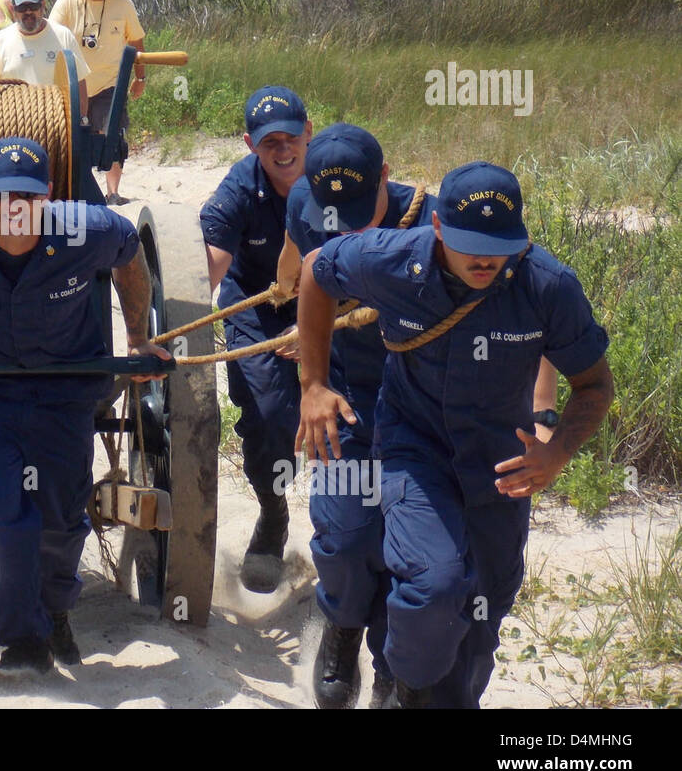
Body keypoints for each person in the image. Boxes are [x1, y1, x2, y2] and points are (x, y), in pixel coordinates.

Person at [296, 161, 614, 709]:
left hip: (499, 462)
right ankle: (395, 676)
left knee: (480, 619)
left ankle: (421, 690)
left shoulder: (547, 286)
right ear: (438, 228)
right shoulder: (390, 260)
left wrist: (557, 451)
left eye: (499, 244)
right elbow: (314, 270)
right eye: (470, 244)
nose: (486, 259)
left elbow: (594, 384)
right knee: (436, 584)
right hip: (413, 447)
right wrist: (314, 383)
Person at [0, 138, 171, 671]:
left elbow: (131, 260)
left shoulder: (91, 229)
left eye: (27, 198)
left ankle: (54, 612)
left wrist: (137, 339)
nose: (14, 210)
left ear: (50, 196)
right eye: (2, 196)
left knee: (58, 520)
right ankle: (23, 639)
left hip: (65, 393)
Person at [278, 124, 436, 709]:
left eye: (357, 210)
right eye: (331, 212)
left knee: (409, 540)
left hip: (421, 407)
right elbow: (300, 261)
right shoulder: (305, 203)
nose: (345, 226)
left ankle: (393, 657)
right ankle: (343, 627)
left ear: (386, 179)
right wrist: (311, 380)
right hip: (345, 397)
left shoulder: (432, 225)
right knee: (344, 535)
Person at [200, 86, 311, 594]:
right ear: (250, 144)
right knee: (268, 416)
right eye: (270, 143)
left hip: (336, 303)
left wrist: (313, 326)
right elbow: (208, 267)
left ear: (309, 133)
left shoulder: (336, 178)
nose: (283, 150)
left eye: (292, 138)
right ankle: (272, 513)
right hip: (256, 307)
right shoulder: (238, 190)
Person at [49, 0, 146, 205]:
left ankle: (113, 192)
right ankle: (71, 187)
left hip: (109, 82)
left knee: (112, 134)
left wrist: (140, 77)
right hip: (71, 83)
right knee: (69, 136)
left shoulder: (123, 3)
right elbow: (52, 36)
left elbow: (136, 40)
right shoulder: (67, 1)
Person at [0, 0, 89, 101]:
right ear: (13, 9)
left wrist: (82, 118)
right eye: (22, 7)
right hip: (13, 117)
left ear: (43, 5)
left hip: (56, 117)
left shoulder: (63, 35)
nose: (28, 12)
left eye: (33, 6)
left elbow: (79, 83)